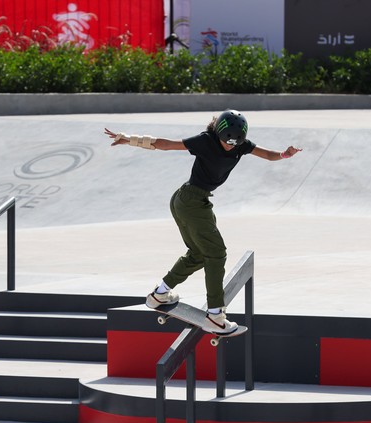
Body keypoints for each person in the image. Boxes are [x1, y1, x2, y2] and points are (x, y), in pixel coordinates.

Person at [104, 110, 301, 333]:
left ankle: (159, 294)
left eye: (234, 144)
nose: (230, 147)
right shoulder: (205, 141)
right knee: (216, 254)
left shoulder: (240, 144)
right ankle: (216, 315)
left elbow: (268, 155)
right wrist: (130, 138)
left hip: (191, 201)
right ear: (219, 133)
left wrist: (285, 154)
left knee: (199, 255)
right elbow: (166, 144)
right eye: (226, 142)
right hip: (190, 201)